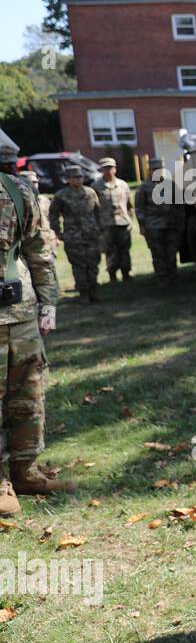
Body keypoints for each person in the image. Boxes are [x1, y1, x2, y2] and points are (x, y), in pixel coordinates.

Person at [0, 144, 69, 516]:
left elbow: (39, 248)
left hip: (20, 310)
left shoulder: (19, 191)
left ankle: (25, 472)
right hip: (20, 311)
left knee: (28, 394)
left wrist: (48, 304)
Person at [49, 165, 108, 303]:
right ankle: (83, 293)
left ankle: (94, 290)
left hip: (91, 235)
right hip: (73, 236)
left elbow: (98, 212)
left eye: (80, 177)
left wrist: (100, 228)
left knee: (93, 264)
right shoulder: (61, 195)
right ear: (68, 179)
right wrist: (58, 232)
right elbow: (53, 215)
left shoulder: (90, 192)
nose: (78, 179)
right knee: (79, 265)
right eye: (75, 177)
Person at [135, 158, 185, 286]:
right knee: (158, 254)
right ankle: (162, 279)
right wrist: (143, 225)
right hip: (153, 226)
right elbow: (139, 208)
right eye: (154, 170)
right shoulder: (144, 187)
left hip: (171, 225)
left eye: (160, 169)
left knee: (171, 252)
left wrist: (180, 222)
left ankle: (173, 278)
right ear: (150, 171)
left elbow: (179, 205)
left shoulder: (171, 185)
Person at [93, 157, 134, 283]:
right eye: (105, 168)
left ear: (115, 169)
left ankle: (126, 274)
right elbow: (93, 207)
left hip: (123, 223)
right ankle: (112, 275)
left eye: (110, 168)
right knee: (110, 251)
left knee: (124, 250)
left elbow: (129, 205)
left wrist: (130, 219)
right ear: (101, 170)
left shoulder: (123, 185)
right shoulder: (96, 186)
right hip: (106, 224)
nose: (108, 170)